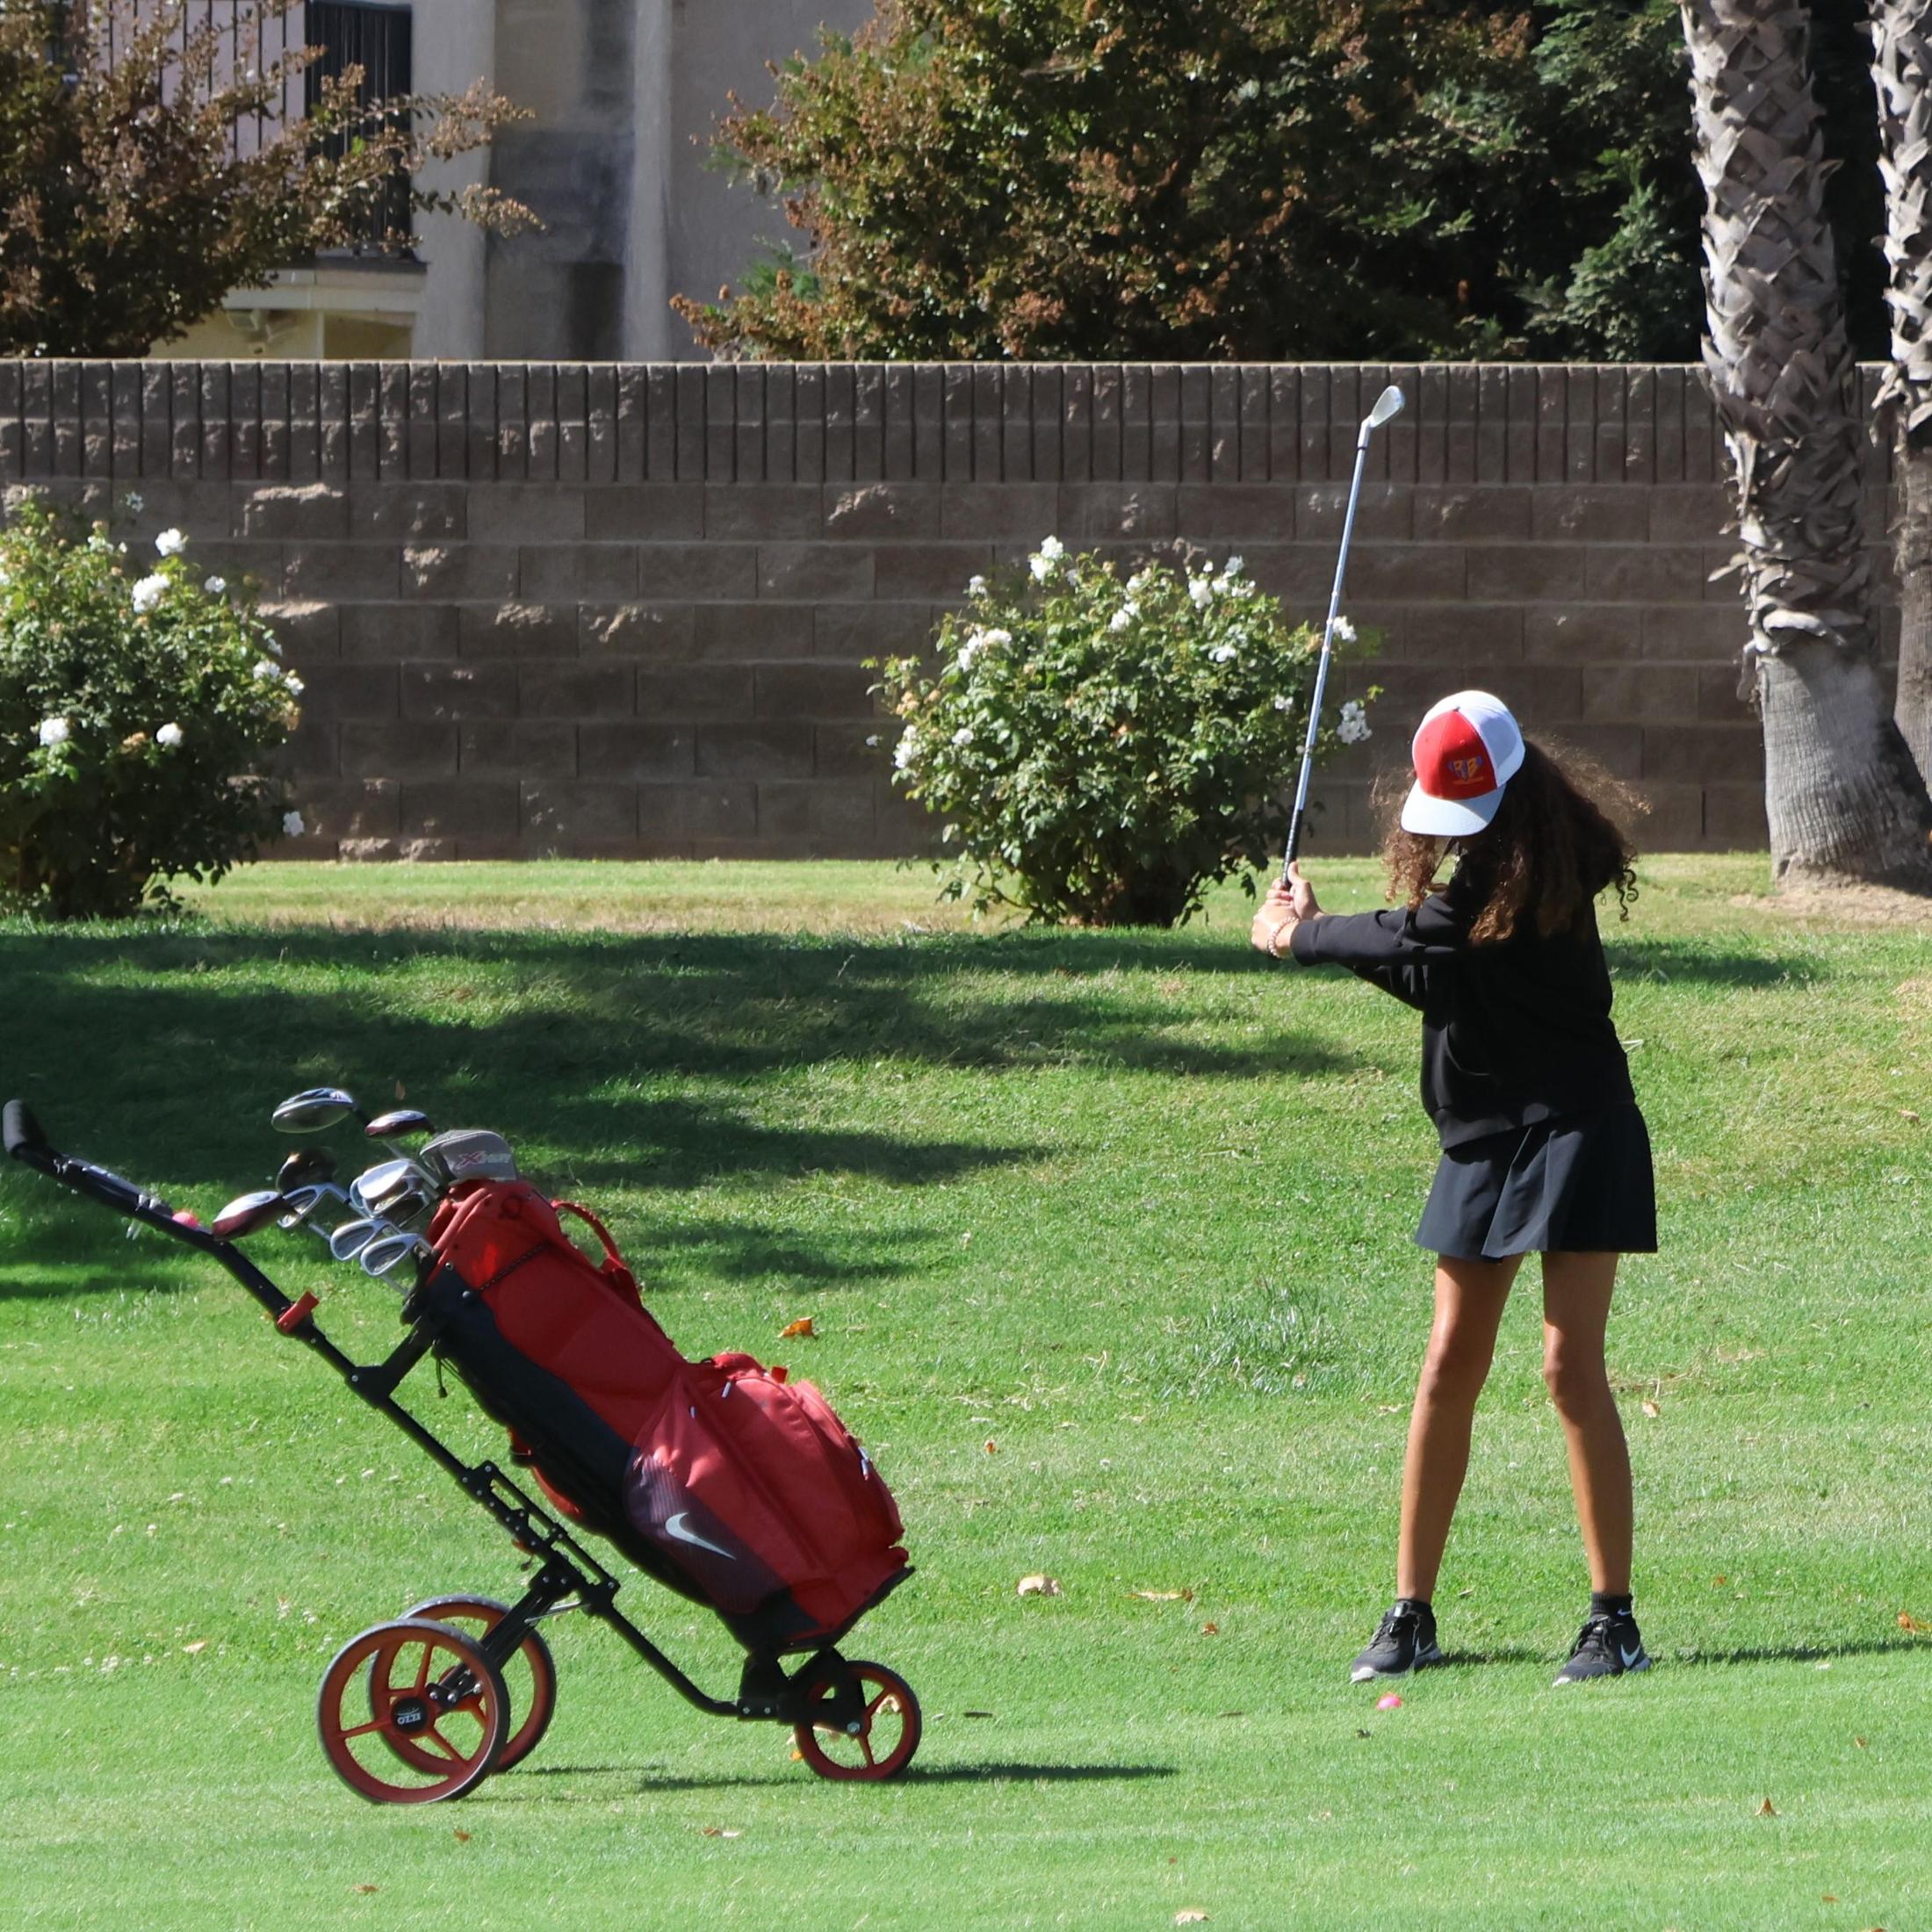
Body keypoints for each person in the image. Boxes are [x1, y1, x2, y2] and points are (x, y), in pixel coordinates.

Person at [1251, 690, 1656, 1687]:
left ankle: (1613, 1622)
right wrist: (1318, 931)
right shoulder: (1481, 889)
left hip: (1574, 1128)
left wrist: (1295, 937)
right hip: (1482, 1140)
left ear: (1512, 793)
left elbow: (1421, 945)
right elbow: (1436, 968)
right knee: (1446, 1365)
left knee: (1569, 1369)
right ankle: (1410, 1613)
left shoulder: (1546, 882)